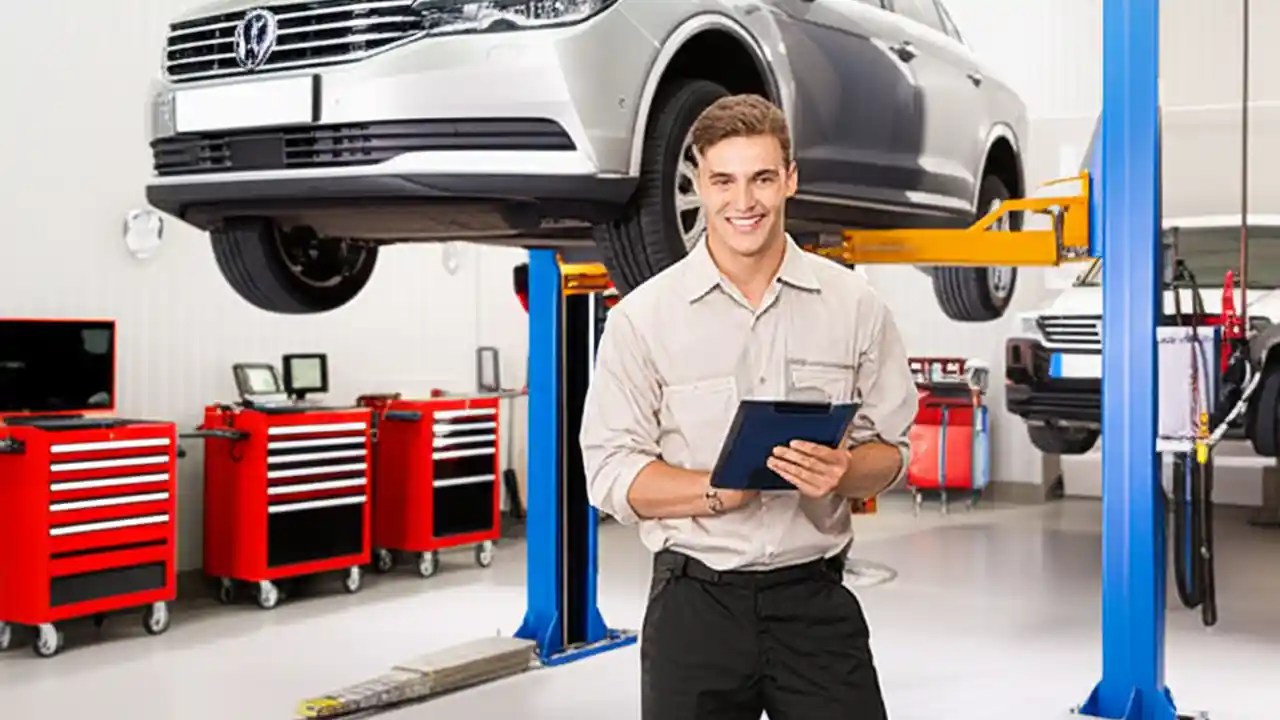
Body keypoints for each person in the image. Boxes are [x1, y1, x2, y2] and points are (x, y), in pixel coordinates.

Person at [579, 93, 918, 720]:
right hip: (694, 606)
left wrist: (847, 471)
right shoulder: (642, 320)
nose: (744, 203)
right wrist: (716, 492)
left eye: (762, 178)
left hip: (814, 604)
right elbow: (609, 473)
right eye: (723, 180)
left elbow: (892, 452)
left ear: (789, 179)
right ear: (698, 185)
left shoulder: (853, 305)